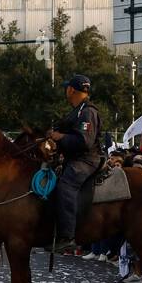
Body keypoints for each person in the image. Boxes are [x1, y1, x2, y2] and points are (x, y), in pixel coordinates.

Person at [48, 74, 101, 253]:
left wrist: (60, 137)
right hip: (75, 158)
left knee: (65, 185)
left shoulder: (87, 112)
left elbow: (84, 141)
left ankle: (68, 236)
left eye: (67, 88)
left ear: (71, 89)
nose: (66, 91)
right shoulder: (77, 109)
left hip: (86, 160)